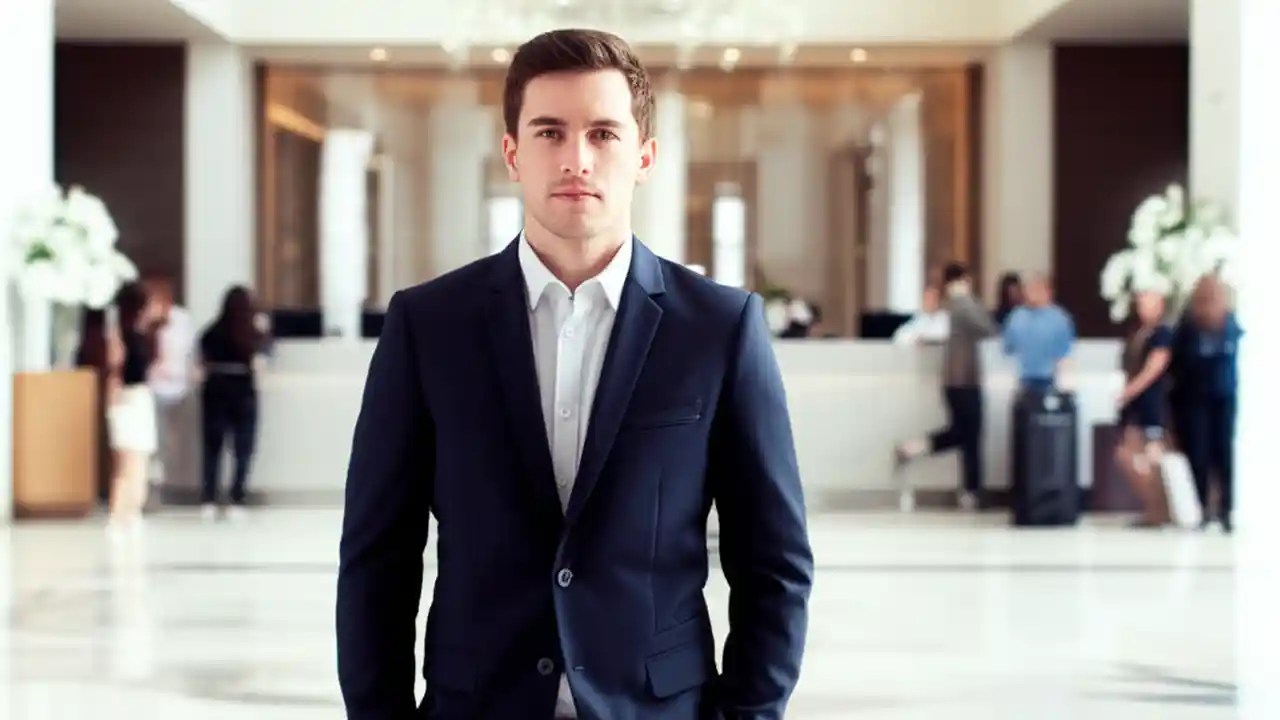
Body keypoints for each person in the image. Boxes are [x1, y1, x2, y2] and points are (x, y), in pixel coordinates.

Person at [336, 29, 813, 720]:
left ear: (645, 156)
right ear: (512, 154)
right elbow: (376, 559)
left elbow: (774, 565)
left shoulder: (718, 328)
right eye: (550, 133)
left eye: (603, 134)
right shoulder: (428, 326)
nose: (576, 159)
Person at [894, 263, 1000, 510]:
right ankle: (971, 491)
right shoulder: (961, 305)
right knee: (969, 436)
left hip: (956, 381)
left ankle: (914, 449)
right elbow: (989, 328)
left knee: (963, 433)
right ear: (963, 280)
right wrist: (967, 297)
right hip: (964, 381)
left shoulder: (951, 308)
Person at [1170, 274, 1242, 533]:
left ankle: (1225, 510)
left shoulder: (1229, 322)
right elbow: (1178, 363)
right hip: (1194, 399)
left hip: (1222, 397)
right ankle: (1203, 508)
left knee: (1222, 454)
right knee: (1199, 454)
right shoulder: (1188, 324)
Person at [198, 286, 267, 522]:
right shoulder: (254, 334)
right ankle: (237, 497)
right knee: (243, 449)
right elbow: (262, 360)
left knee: (212, 449)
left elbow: (202, 361)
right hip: (243, 391)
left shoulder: (211, 332)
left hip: (215, 390)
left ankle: (209, 498)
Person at [1114, 291, 1174, 528]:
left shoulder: (1163, 334)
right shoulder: (1138, 334)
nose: (1142, 308)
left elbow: (1154, 368)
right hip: (1135, 406)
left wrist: (1130, 390)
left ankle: (1160, 510)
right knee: (1126, 455)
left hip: (1153, 404)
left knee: (1152, 457)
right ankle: (1152, 507)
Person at [105, 282, 161, 531]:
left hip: (141, 397)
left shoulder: (143, 335)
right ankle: (118, 513)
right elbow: (115, 371)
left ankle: (133, 511)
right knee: (126, 460)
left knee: (141, 457)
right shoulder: (119, 335)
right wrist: (112, 404)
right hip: (127, 398)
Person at [142, 275, 196, 498]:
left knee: (175, 441)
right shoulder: (144, 321)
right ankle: (154, 485)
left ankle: (171, 481)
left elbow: (189, 351)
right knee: (157, 438)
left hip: (179, 387)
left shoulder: (181, 320)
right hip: (153, 388)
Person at [1002, 274, 1076, 392]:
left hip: (1050, 378)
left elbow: (1065, 352)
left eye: (1038, 289)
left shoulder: (1060, 319)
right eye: (1030, 289)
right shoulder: (1016, 317)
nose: (1032, 293)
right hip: (1021, 378)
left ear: (1048, 292)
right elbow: (1008, 348)